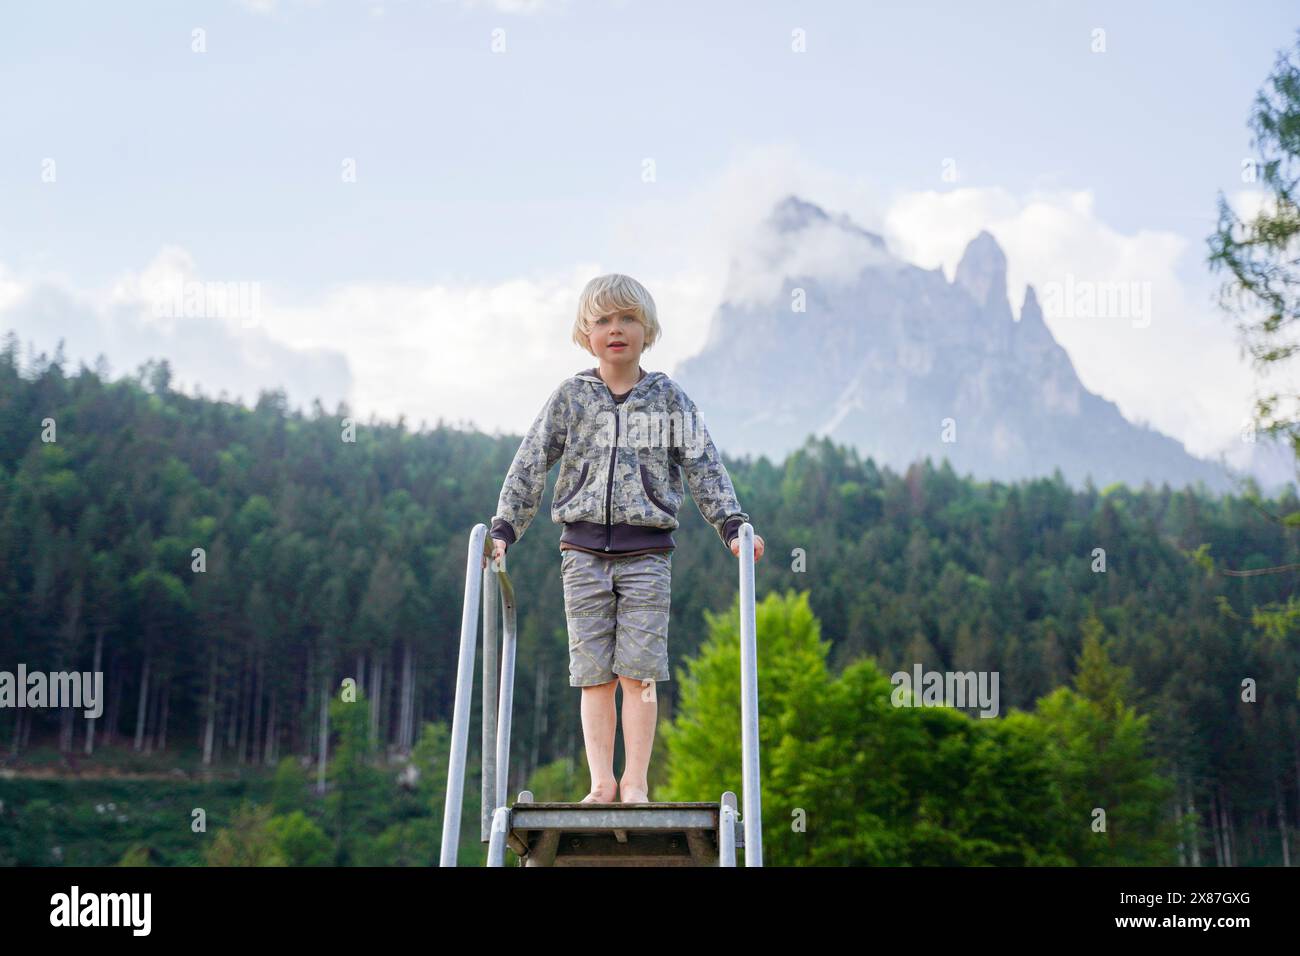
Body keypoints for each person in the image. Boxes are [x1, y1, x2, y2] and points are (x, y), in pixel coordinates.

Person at [487, 273, 764, 804]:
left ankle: (635, 781)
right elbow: (530, 464)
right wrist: (504, 529)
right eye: (604, 321)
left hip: (647, 554)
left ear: (647, 329)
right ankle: (601, 782)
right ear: (585, 333)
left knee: (639, 673)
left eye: (628, 319)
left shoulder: (666, 399)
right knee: (594, 674)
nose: (617, 330)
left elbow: (704, 464)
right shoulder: (571, 398)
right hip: (582, 552)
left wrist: (731, 523)